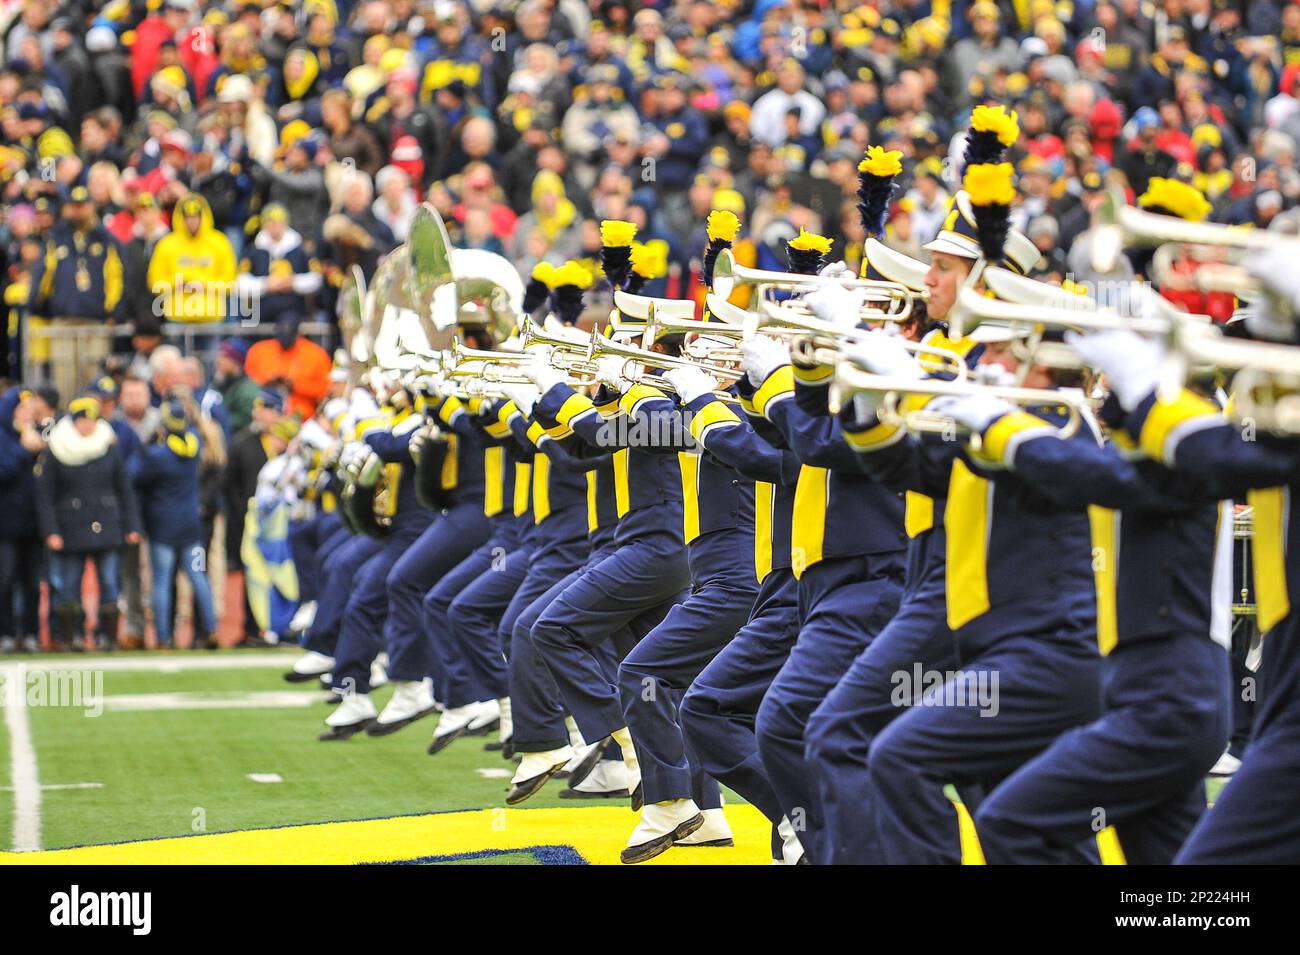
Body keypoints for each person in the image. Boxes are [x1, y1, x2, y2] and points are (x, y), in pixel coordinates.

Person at [37, 394, 140, 651]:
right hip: (70, 527)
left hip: (107, 525)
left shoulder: (107, 445)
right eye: (83, 420)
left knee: (109, 582)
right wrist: (50, 530)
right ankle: (71, 637)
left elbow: (124, 489)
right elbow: (45, 495)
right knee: (69, 585)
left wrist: (131, 525)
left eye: (92, 420)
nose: (88, 425)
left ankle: (109, 637)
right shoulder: (58, 448)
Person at [133, 399, 217, 649]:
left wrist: (149, 443)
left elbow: (134, 473)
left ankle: (164, 636)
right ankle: (210, 629)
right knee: (199, 577)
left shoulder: (158, 455)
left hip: (163, 528)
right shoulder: (195, 443)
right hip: (192, 527)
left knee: (161, 581)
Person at [0, 383, 57, 653]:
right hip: (6, 525)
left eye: (29, 408)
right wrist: (25, 451)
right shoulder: (5, 437)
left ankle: (32, 632)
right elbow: (4, 471)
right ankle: (7, 633)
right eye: (21, 408)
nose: (25, 413)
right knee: (5, 580)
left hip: (34, 524)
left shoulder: (39, 434)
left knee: (34, 582)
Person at [146, 193, 237, 324]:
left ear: (203, 217)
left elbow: (230, 281)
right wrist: (176, 283)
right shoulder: (167, 244)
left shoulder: (219, 242)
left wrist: (204, 284)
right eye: (188, 218)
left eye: (195, 217)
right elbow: (154, 281)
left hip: (210, 316)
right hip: (177, 315)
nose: (192, 222)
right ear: (180, 218)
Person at [244, 312, 332, 420]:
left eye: (289, 331)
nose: (285, 335)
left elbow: (325, 389)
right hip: (265, 411)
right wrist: (268, 382)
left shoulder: (316, 354)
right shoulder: (259, 350)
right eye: (281, 331)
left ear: (298, 333)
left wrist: (294, 385)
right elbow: (247, 385)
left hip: (301, 416)